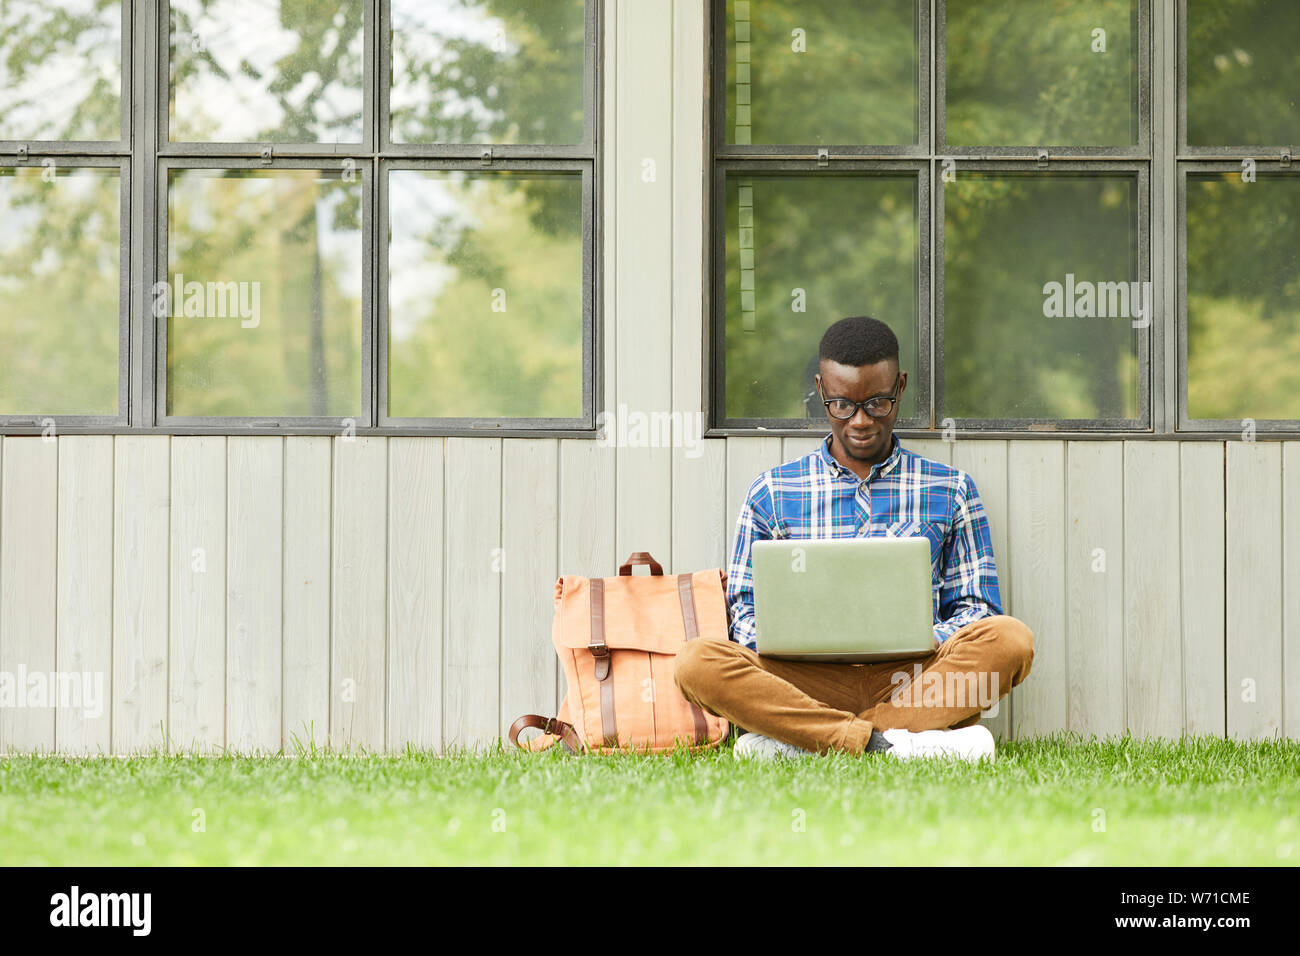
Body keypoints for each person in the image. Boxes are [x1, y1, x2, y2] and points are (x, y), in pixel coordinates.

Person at [673, 315, 1034, 762]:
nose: (860, 421)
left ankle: (811, 740)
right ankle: (897, 744)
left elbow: (979, 611)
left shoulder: (951, 489)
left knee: (1011, 640)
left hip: (913, 679)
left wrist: (922, 636)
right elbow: (743, 614)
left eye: (877, 403)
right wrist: (795, 642)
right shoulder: (772, 492)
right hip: (802, 681)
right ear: (821, 390)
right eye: (842, 405)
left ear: (900, 387)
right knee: (695, 662)